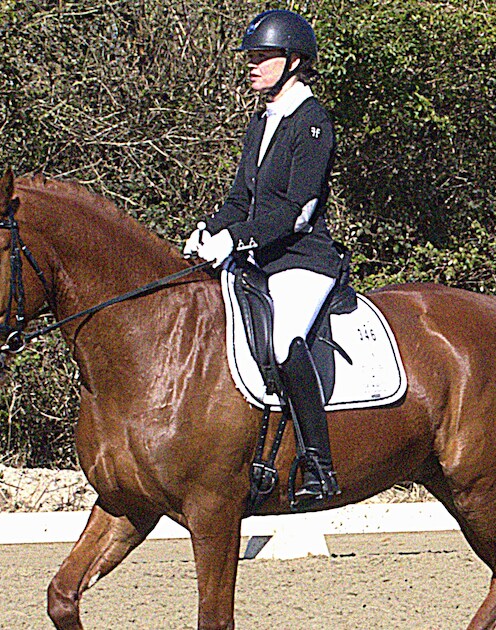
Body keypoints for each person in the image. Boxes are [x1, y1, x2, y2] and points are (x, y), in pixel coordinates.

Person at [183, 9, 340, 508]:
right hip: (257, 257)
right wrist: (211, 228)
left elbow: (298, 211)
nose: (252, 65)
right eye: (251, 57)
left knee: (283, 339)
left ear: (294, 61)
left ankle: (318, 463)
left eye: (262, 57)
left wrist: (237, 240)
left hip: (301, 259)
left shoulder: (313, 122)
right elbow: (239, 201)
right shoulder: (261, 122)